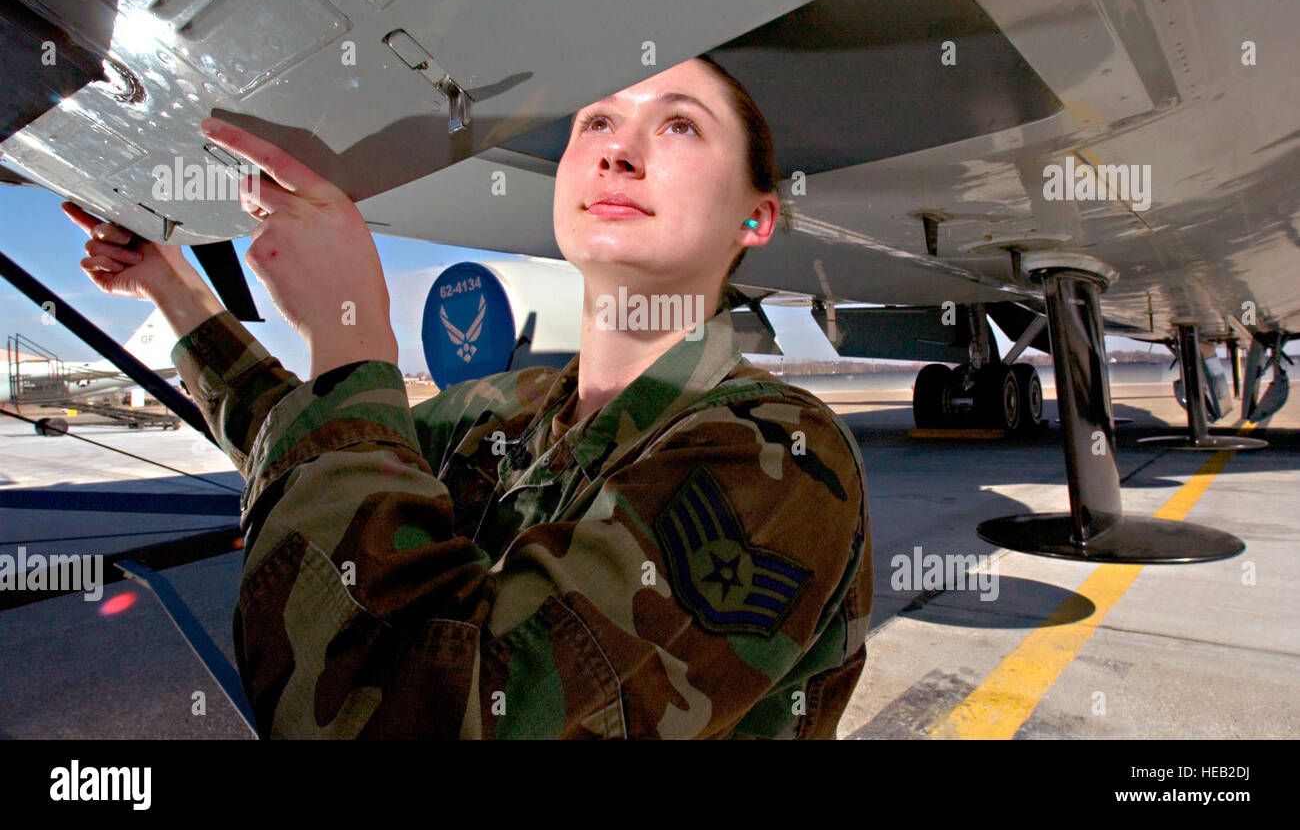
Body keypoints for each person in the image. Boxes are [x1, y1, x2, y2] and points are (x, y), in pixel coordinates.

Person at [63, 54, 873, 738]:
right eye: (595, 122)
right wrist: (177, 297)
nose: (617, 152)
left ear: (757, 218)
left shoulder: (780, 453)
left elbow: (445, 705)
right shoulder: (506, 409)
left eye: (679, 125)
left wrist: (353, 328)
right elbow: (333, 456)